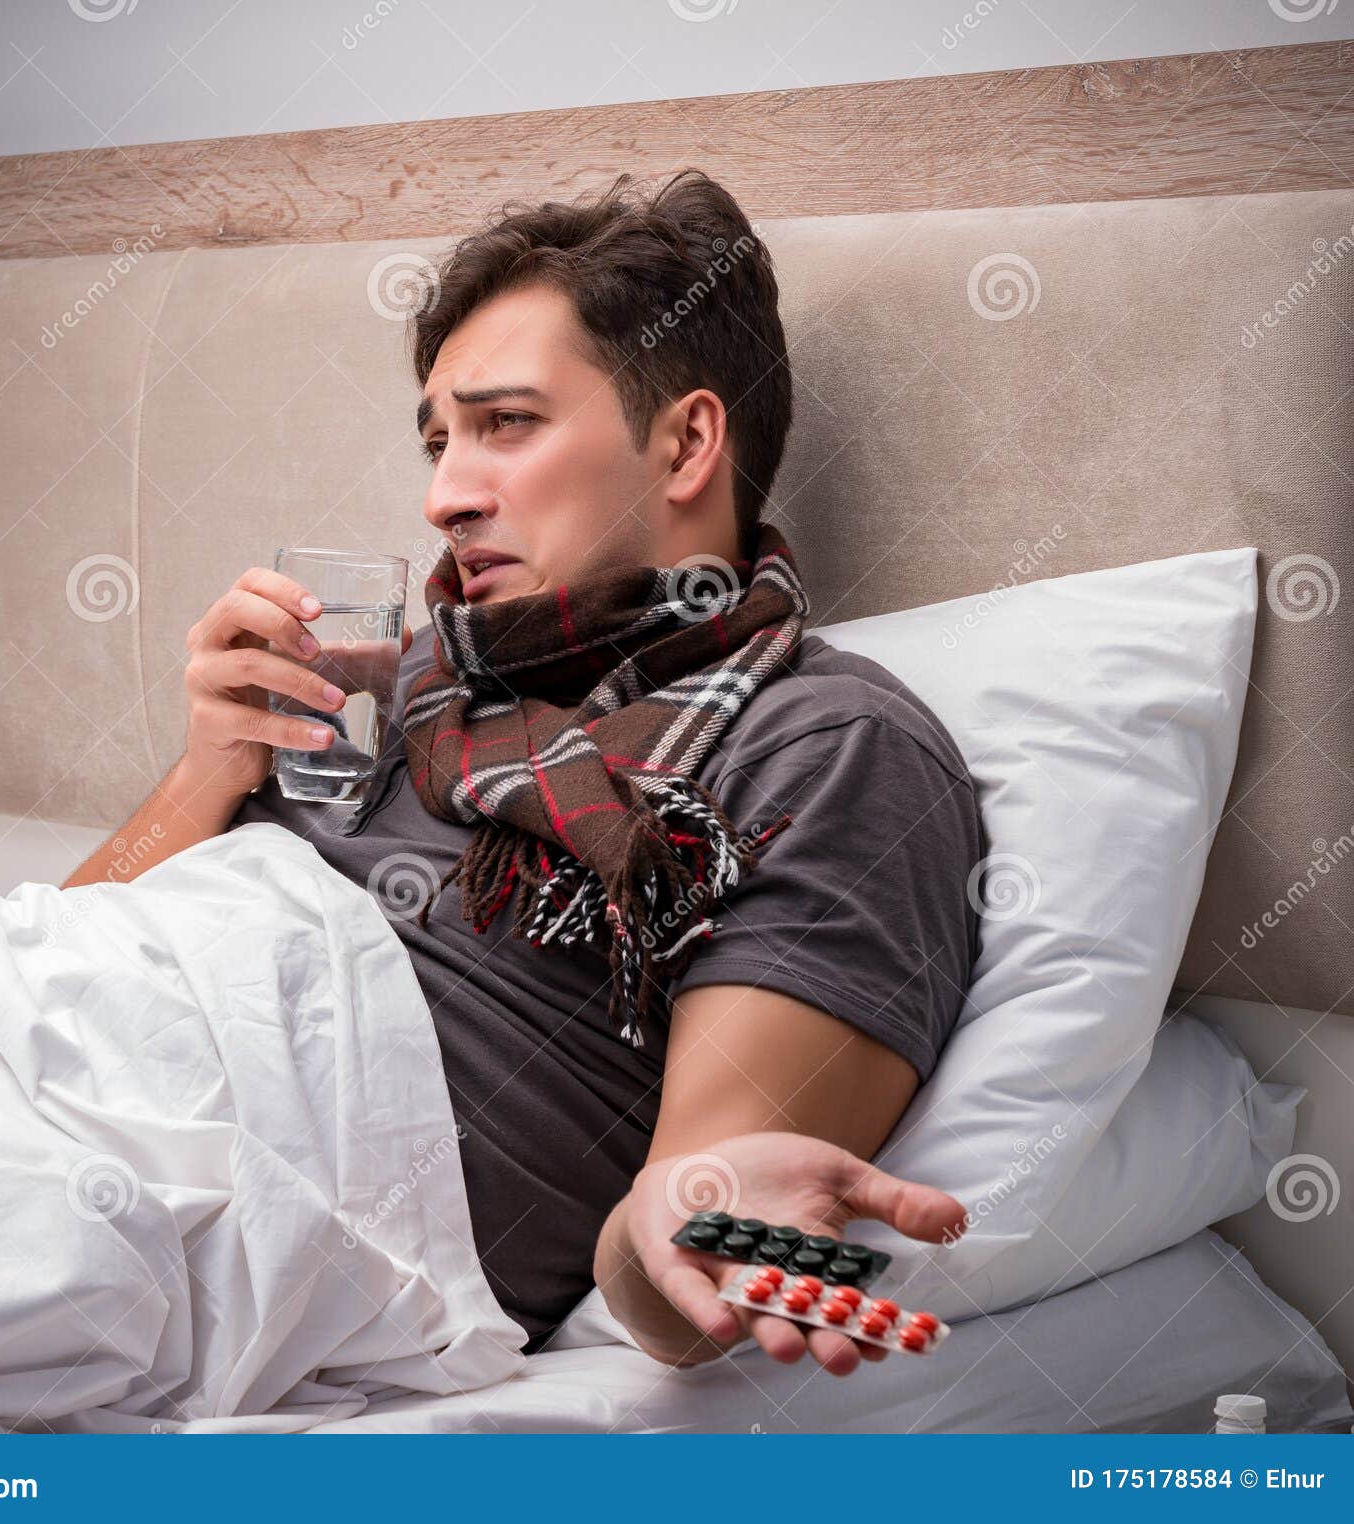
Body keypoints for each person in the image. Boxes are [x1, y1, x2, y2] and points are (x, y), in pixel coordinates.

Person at [65, 170, 985, 1375]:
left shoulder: (825, 745)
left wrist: (688, 1222)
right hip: (27, 1067)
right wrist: (203, 777)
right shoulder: (390, 695)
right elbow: (47, 959)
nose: (445, 495)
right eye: (440, 440)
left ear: (687, 441)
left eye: (506, 425)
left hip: (183, 1188)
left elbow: (677, 1266)